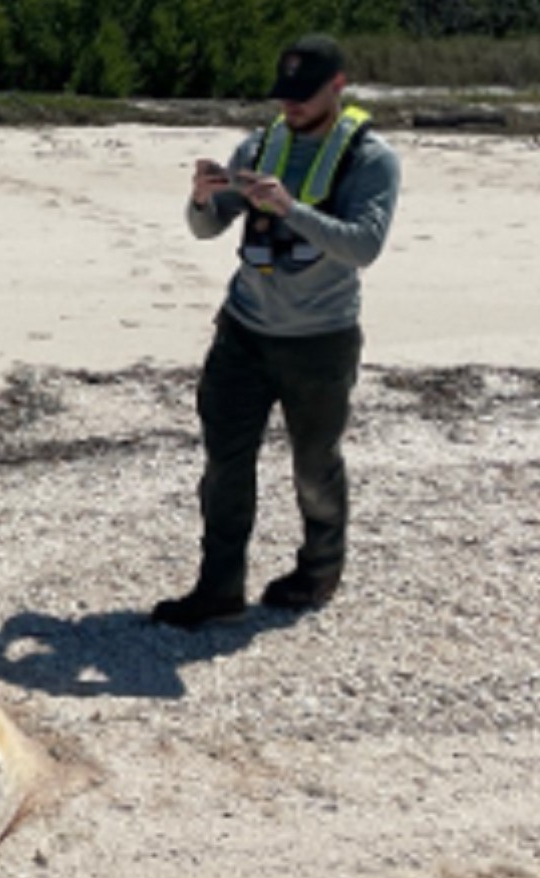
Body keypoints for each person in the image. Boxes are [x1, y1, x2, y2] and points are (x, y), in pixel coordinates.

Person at [152, 34, 403, 629]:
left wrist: (292, 209)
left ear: (338, 86)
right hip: (244, 331)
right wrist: (201, 200)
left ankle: (319, 571)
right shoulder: (261, 144)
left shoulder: (372, 159)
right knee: (224, 463)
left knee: (315, 466)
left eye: (303, 94)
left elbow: (364, 246)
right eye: (283, 94)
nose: (290, 105)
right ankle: (219, 589)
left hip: (321, 340)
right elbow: (207, 229)